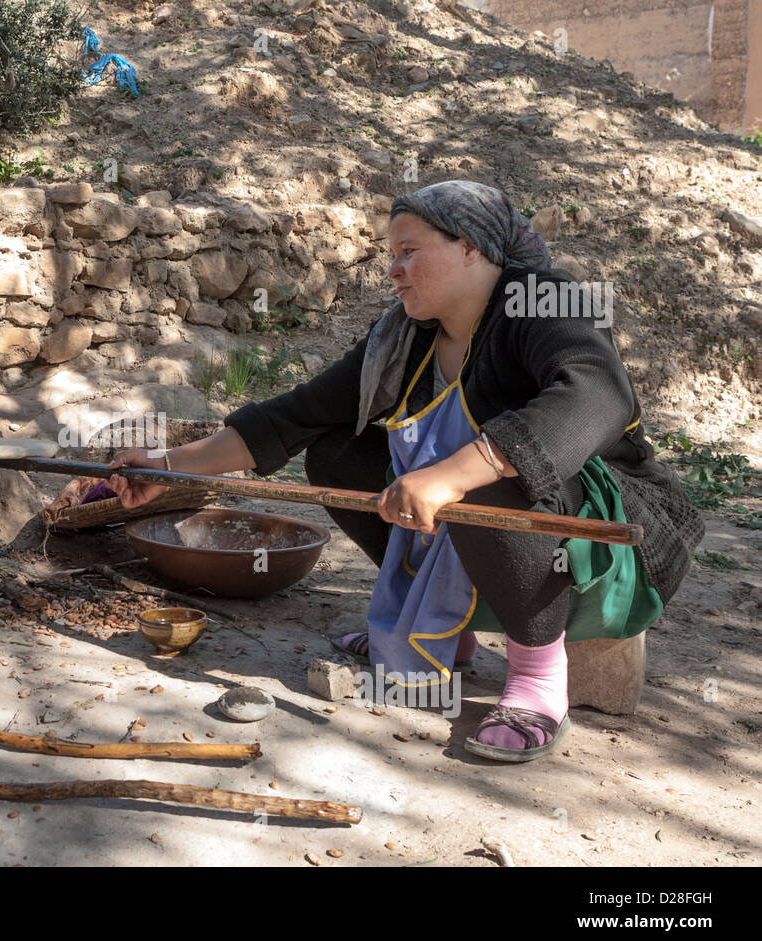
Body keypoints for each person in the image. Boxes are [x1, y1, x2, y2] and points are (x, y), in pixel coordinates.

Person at [106, 180, 704, 762]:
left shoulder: (541, 300)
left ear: (471, 247)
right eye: (391, 254)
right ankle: (443, 622)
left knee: (490, 481)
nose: (393, 269)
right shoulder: (404, 337)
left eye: (410, 252)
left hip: (601, 531)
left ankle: (537, 678)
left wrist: (455, 472)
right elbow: (294, 416)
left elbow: (597, 395)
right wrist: (170, 468)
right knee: (338, 455)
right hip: (490, 536)